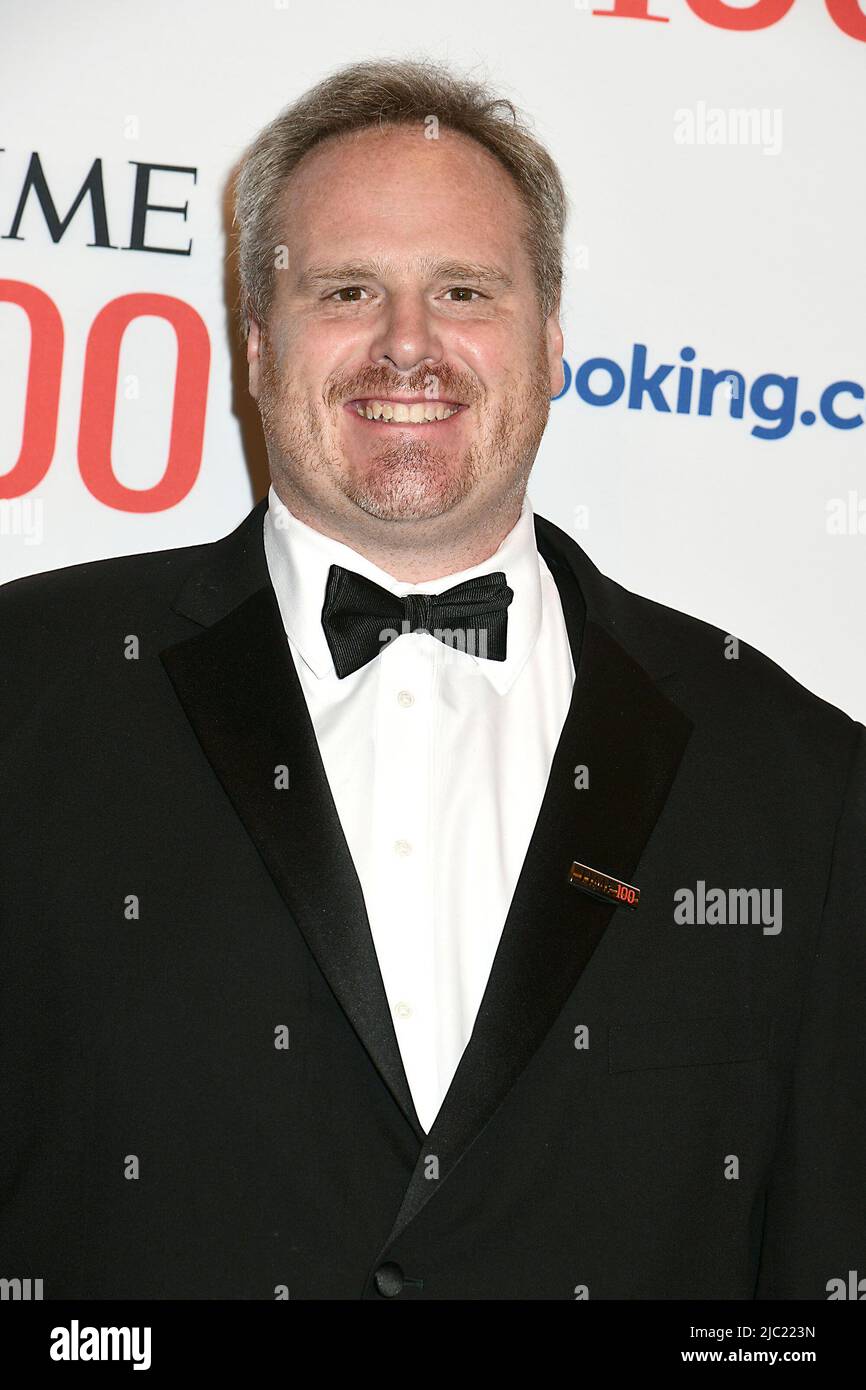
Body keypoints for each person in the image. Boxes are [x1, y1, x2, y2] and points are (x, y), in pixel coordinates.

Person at [0, 58, 863, 1301]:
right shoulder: (28, 695)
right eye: (348, 289)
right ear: (254, 346)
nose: (408, 346)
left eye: (464, 290)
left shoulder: (796, 779)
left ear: (551, 342)